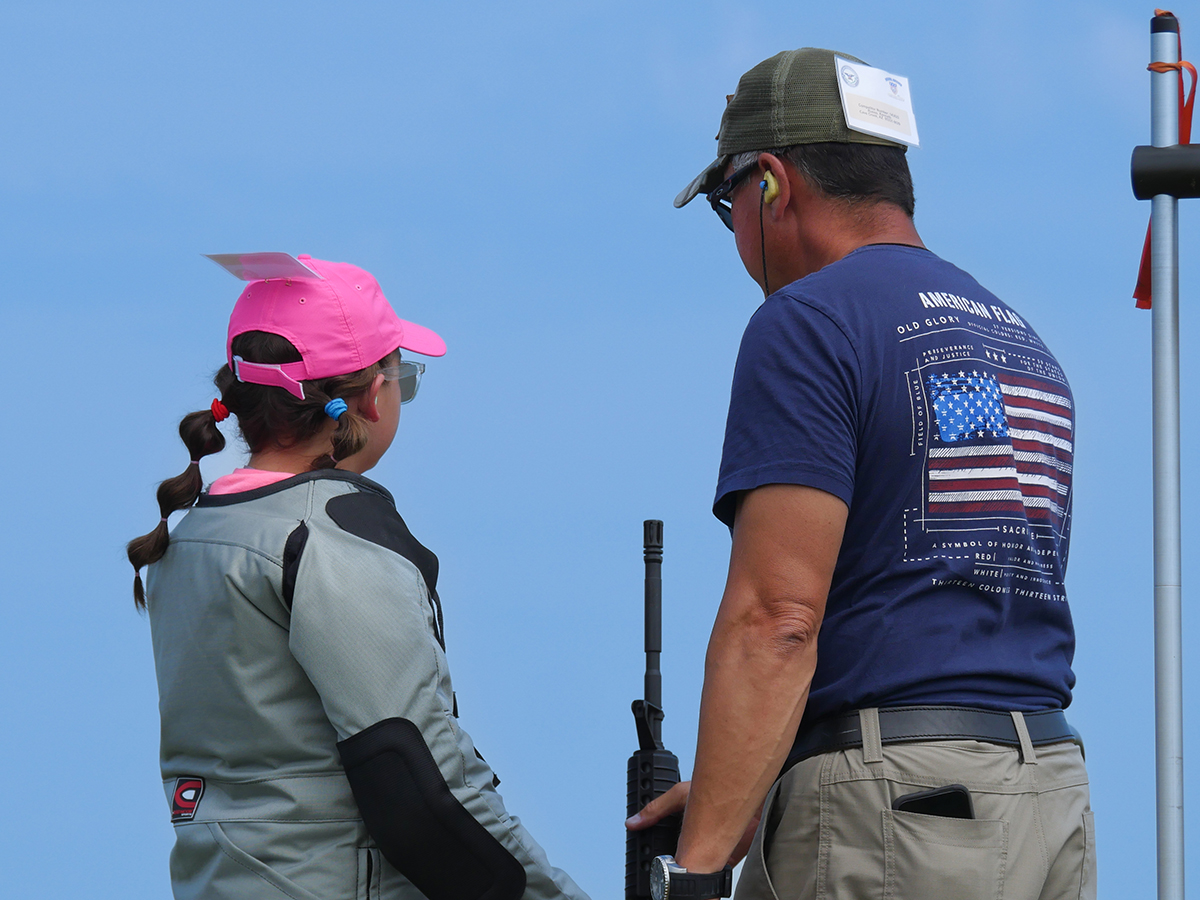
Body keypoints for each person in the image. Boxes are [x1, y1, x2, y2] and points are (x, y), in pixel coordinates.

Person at [628, 48, 1095, 900]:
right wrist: (745, 787)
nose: (734, 230)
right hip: (1047, 798)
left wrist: (698, 869)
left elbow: (777, 622)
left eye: (728, 202)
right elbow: (930, 611)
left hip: (898, 814)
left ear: (770, 183)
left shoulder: (808, 322)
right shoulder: (1024, 344)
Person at [127, 253, 590, 900]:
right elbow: (422, 788)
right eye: (405, 378)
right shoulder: (329, 538)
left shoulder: (189, 537)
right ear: (372, 395)